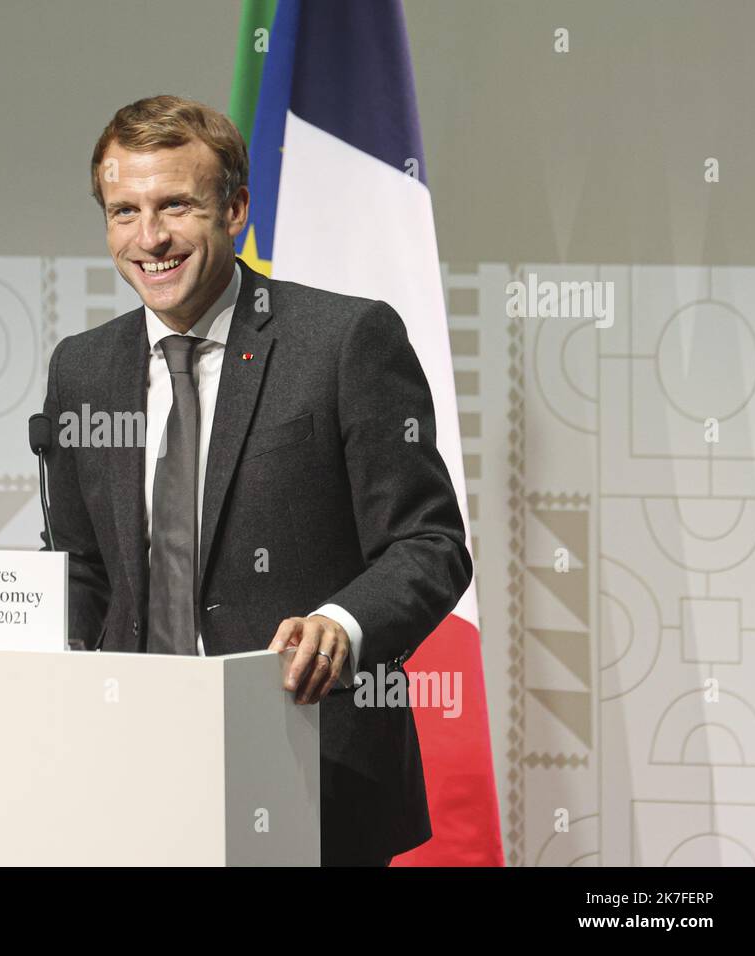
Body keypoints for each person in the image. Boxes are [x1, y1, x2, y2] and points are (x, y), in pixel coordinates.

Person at [41, 94, 472, 866]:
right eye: (124, 211)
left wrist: (341, 626)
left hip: (309, 769)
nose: (151, 239)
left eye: (176, 205)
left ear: (235, 208)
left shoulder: (343, 340)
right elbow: (82, 569)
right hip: (132, 776)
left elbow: (429, 543)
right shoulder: (81, 368)